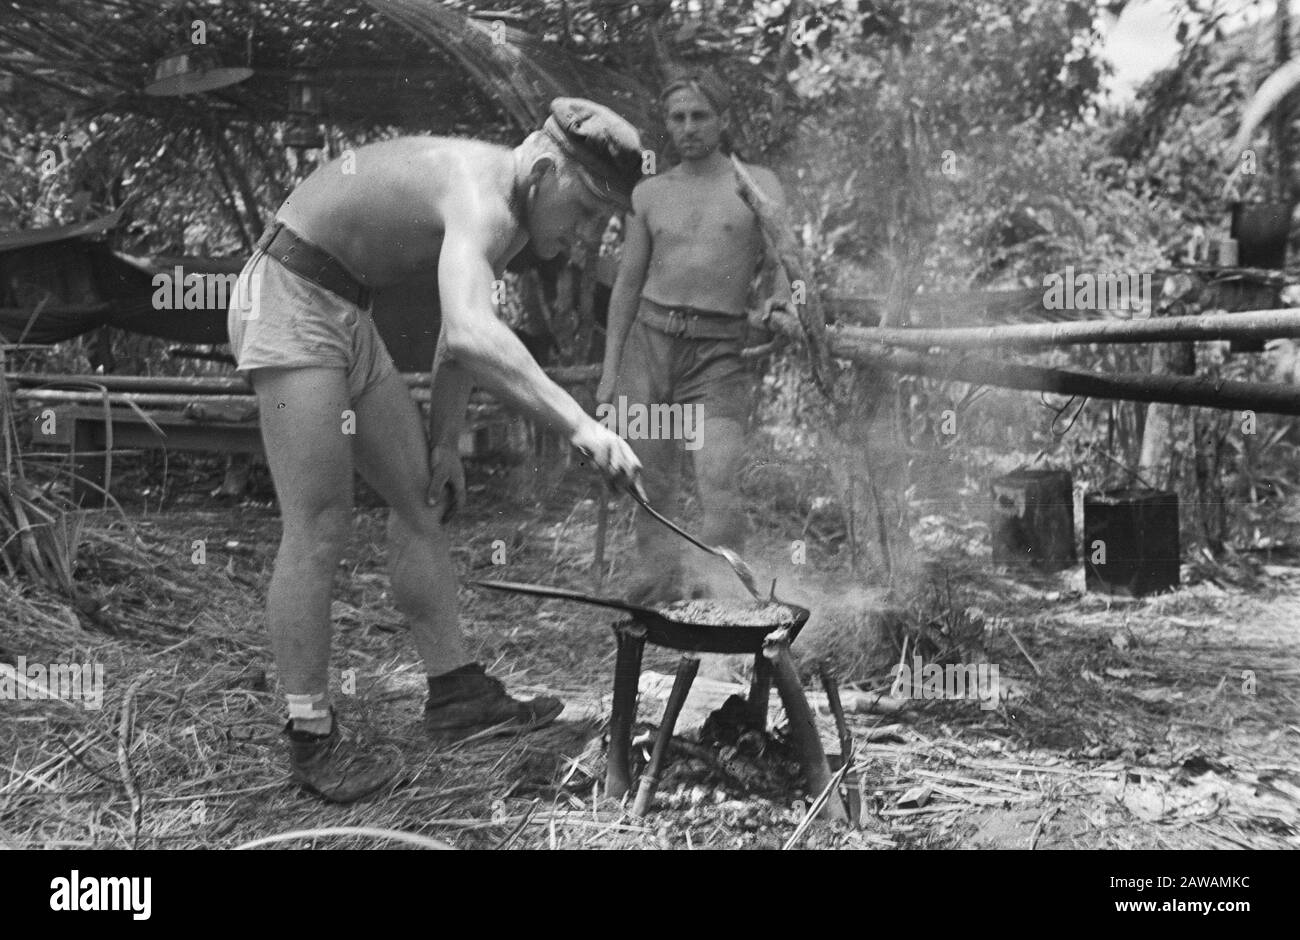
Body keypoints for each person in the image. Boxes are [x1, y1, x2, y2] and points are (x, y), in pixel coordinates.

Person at [227, 98, 644, 803]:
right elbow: (476, 333)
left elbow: (458, 340)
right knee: (321, 521)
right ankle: (309, 737)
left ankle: (455, 693)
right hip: (289, 297)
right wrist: (584, 427)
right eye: (584, 211)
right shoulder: (485, 200)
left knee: (421, 493)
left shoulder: (510, 213)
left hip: (344, 312)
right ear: (544, 171)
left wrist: (447, 441)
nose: (584, 235)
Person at [598, 70, 790, 606]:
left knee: (718, 482)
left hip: (718, 354)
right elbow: (627, 285)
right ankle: (658, 591)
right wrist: (611, 373)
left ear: (724, 120)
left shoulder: (756, 185)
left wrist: (782, 298)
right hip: (650, 348)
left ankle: (723, 597)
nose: (688, 127)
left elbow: (786, 265)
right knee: (651, 482)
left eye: (700, 115)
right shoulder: (650, 193)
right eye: (678, 117)